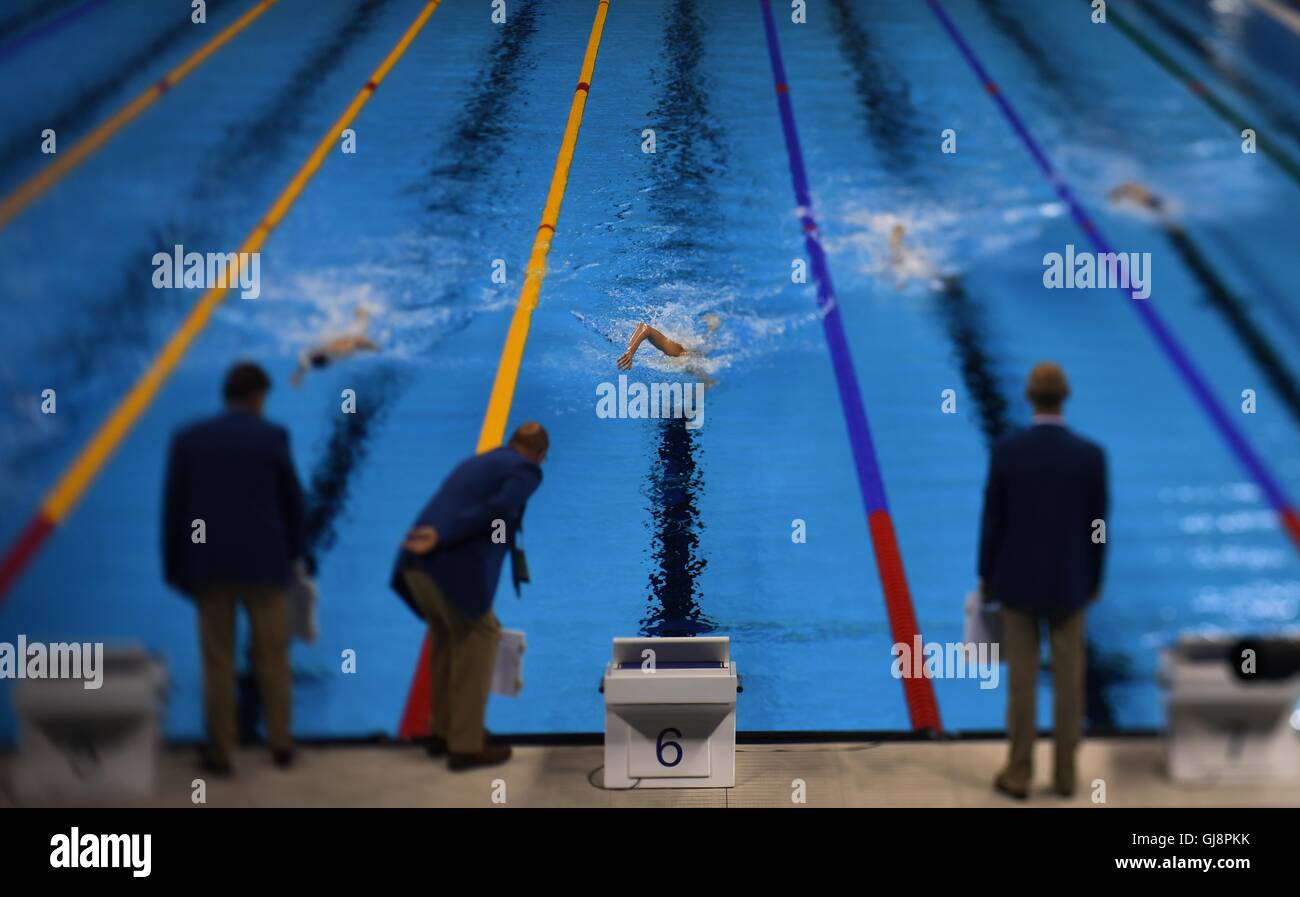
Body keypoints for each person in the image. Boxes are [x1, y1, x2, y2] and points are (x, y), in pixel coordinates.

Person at [162, 361, 306, 775]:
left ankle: (220, 752)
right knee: (272, 659)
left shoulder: (189, 439)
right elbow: (293, 505)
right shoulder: (272, 436)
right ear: (258, 396)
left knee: (218, 663)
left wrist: (176, 567)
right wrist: (294, 556)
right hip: (265, 566)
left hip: (210, 567)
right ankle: (280, 744)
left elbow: (176, 512)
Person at [977, 362, 1107, 800]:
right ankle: (1067, 777)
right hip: (1071, 583)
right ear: (1064, 398)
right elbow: (1097, 526)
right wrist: (1094, 576)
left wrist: (986, 576)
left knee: (1022, 685)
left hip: (1017, 582)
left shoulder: (1008, 451)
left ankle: (1018, 774)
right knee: (1070, 685)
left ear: (1030, 397)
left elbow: (993, 520)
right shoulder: (1090, 455)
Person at [390, 422, 548, 772]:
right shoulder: (526, 470)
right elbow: (500, 507)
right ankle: (466, 745)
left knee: (448, 640)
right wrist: (443, 536)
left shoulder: (480, 462)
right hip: (447, 566)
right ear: (540, 455)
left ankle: (443, 732)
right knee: (480, 636)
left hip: (414, 566)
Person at [291, 306, 379, 387]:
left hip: (332, 348)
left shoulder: (340, 346)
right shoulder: (336, 350)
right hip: (332, 350)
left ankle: (362, 312)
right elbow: (305, 366)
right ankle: (362, 312)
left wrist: (298, 377)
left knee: (356, 335)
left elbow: (358, 343)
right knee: (356, 336)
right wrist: (297, 377)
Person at [616, 315, 721, 372]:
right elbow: (645, 328)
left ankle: (712, 328)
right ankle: (712, 327)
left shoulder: (695, 366)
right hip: (675, 346)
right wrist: (630, 351)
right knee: (705, 340)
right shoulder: (676, 352)